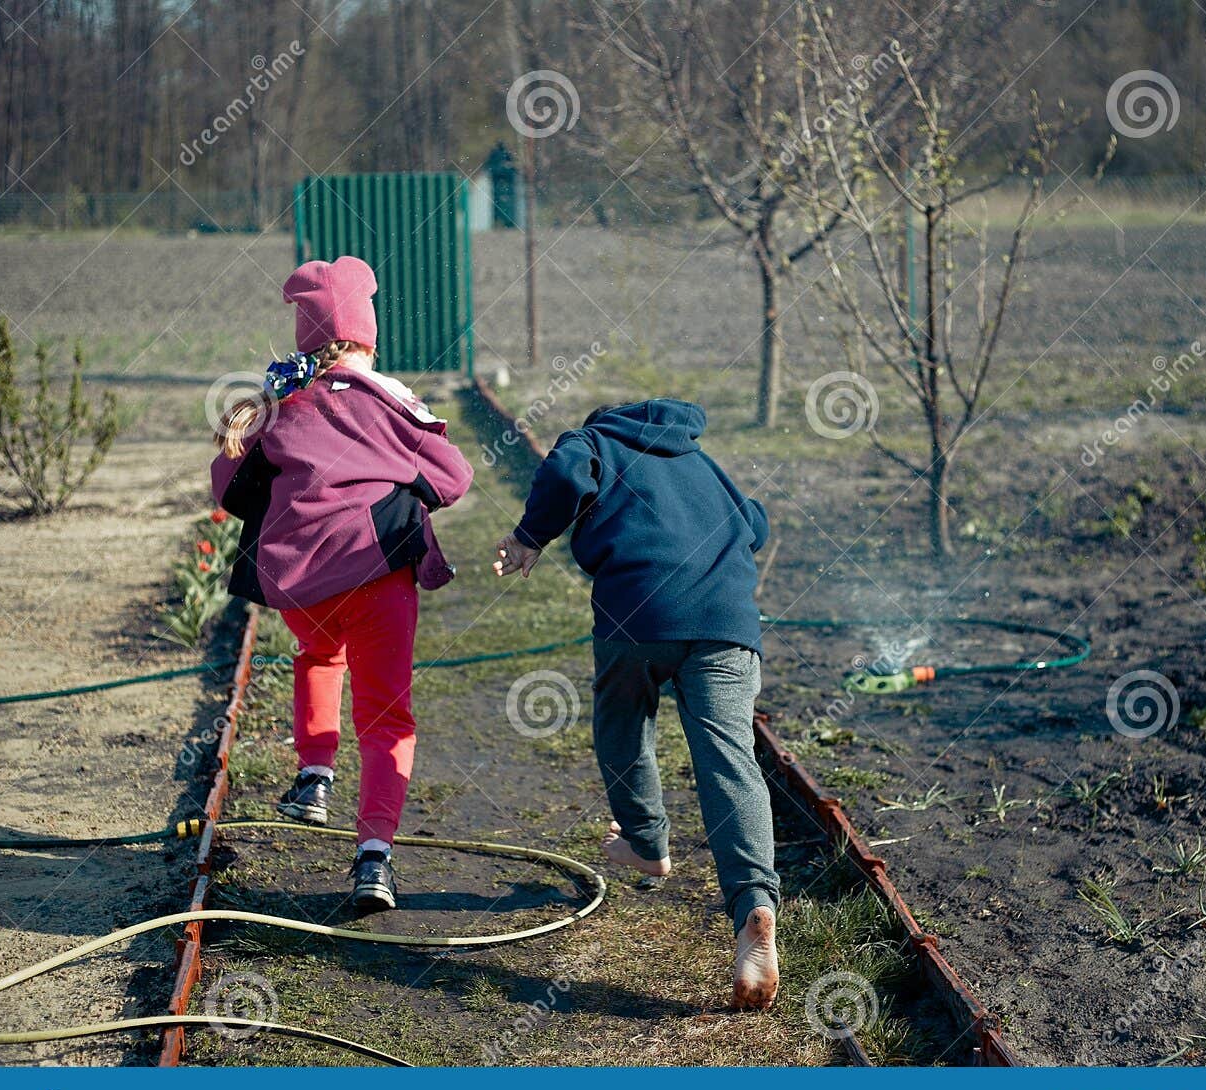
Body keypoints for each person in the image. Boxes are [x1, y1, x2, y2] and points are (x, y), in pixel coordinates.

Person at [493, 399, 781, 1009]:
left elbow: (567, 471)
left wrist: (529, 536)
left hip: (638, 613)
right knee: (731, 762)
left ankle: (647, 842)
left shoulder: (596, 442)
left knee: (623, 718)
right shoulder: (701, 461)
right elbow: (755, 525)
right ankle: (754, 902)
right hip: (727, 621)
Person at [210, 255, 472, 913]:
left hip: (302, 588)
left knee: (320, 656)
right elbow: (455, 475)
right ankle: (374, 857)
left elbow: (229, 485)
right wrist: (401, 483)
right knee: (386, 718)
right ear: (367, 332)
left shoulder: (282, 404)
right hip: (380, 576)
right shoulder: (390, 400)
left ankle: (314, 775)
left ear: (306, 335)